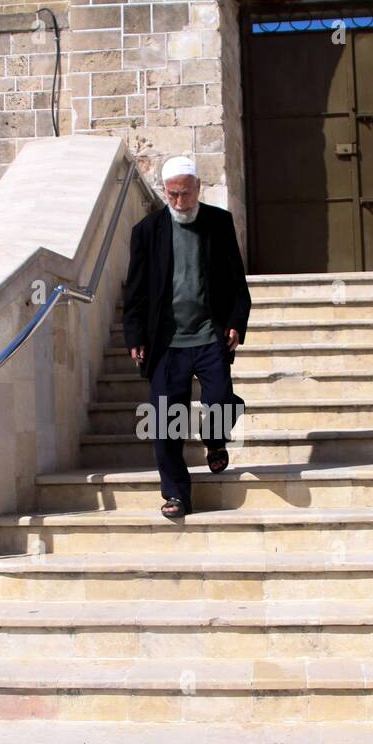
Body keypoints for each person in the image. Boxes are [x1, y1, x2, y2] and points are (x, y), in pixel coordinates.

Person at [123, 155, 252, 519]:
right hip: (166, 344)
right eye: (173, 194)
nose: (180, 202)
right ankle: (176, 495)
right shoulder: (146, 232)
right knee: (165, 423)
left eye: (186, 193)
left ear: (199, 188)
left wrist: (235, 324)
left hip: (210, 335)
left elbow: (237, 285)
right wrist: (135, 336)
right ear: (166, 192)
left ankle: (215, 438)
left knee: (220, 401)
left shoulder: (219, 223)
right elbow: (134, 293)